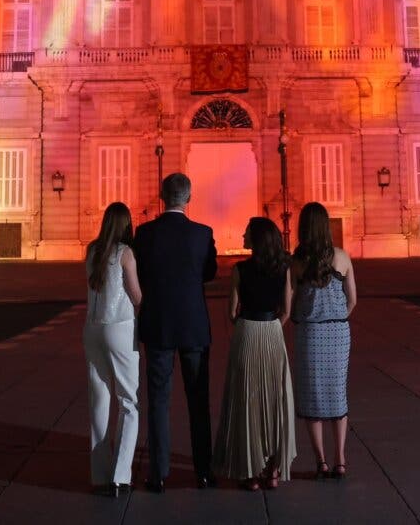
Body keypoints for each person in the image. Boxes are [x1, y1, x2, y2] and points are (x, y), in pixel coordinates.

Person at [133, 172, 219, 492]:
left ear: (162, 196)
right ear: (189, 197)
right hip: (194, 325)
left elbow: (139, 272)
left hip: (158, 323)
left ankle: (158, 473)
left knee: (158, 401)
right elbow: (209, 273)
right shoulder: (202, 233)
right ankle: (204, 472)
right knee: (198, 401)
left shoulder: (144, 233)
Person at [213, 217, 296, 490]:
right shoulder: (283, 269)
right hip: (272, 331)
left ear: (256, 239)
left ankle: (250, 471)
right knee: (275, 400)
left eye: (246, 232)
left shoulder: (240, 270)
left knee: (247, 400)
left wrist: (247, 326)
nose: (242, 235)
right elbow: (286, 309)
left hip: (247, 331)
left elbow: (231, 311)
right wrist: (271, 326)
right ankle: (273, 470)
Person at [291, 202, 357, 480]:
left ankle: (321, 461)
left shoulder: (297, 262)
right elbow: (353, 298)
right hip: (338, 332)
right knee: (337, 394)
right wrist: (339, 317)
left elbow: (290, 300)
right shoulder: (342, 257)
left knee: (312, 398)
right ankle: (340, 459)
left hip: (310, 332)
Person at [83, 202, 143, 497]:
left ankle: (100, 474)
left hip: (92, 328)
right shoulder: (125, 253)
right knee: (129, 402)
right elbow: (135, 294)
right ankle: (121, 475)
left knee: (99, 400)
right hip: (119, 326)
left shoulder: (92, 251)